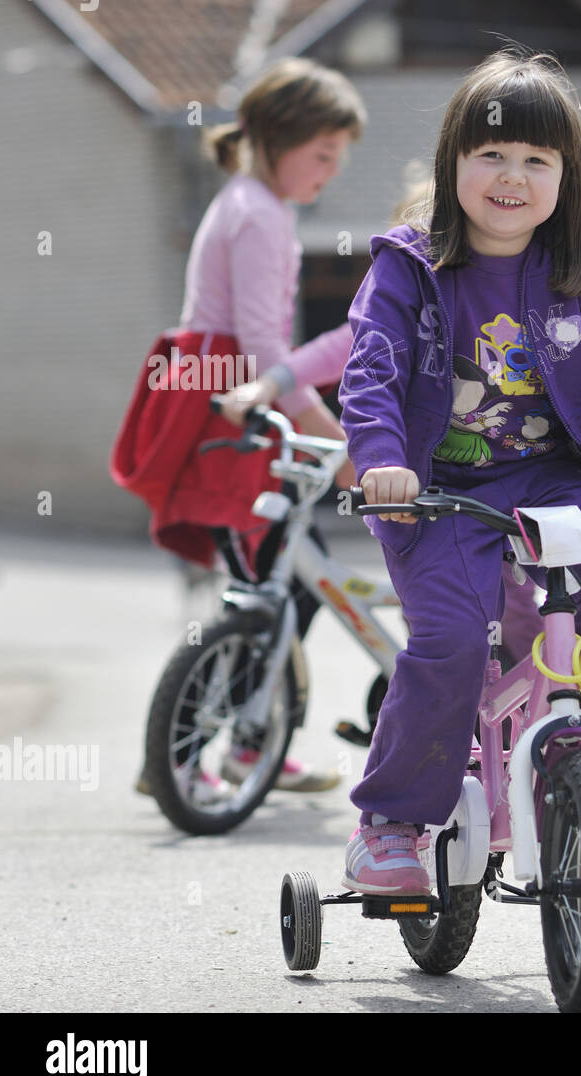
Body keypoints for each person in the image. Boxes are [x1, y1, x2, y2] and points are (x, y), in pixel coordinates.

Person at [337, 48, 581, 894]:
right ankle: (393, 820)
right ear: (453, 164)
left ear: (567, 176)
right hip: (434, 490)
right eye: (490, 155)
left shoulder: (576, 274)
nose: (511, 176)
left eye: (536, 160)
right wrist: (379, 462)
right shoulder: (408, 268)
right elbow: (370, 369)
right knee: (450, 640)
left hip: (552, 478)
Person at [112, 57, 367, 796]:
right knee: (271, 586)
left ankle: (238, 743)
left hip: (218, 408)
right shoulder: (260, 215)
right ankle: (203, 755)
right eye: (321, 156)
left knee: (271, 582)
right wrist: (338, 445)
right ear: (277, 140)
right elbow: (265, 354)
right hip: (237, 417)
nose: (328, 173)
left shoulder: (246, 203)